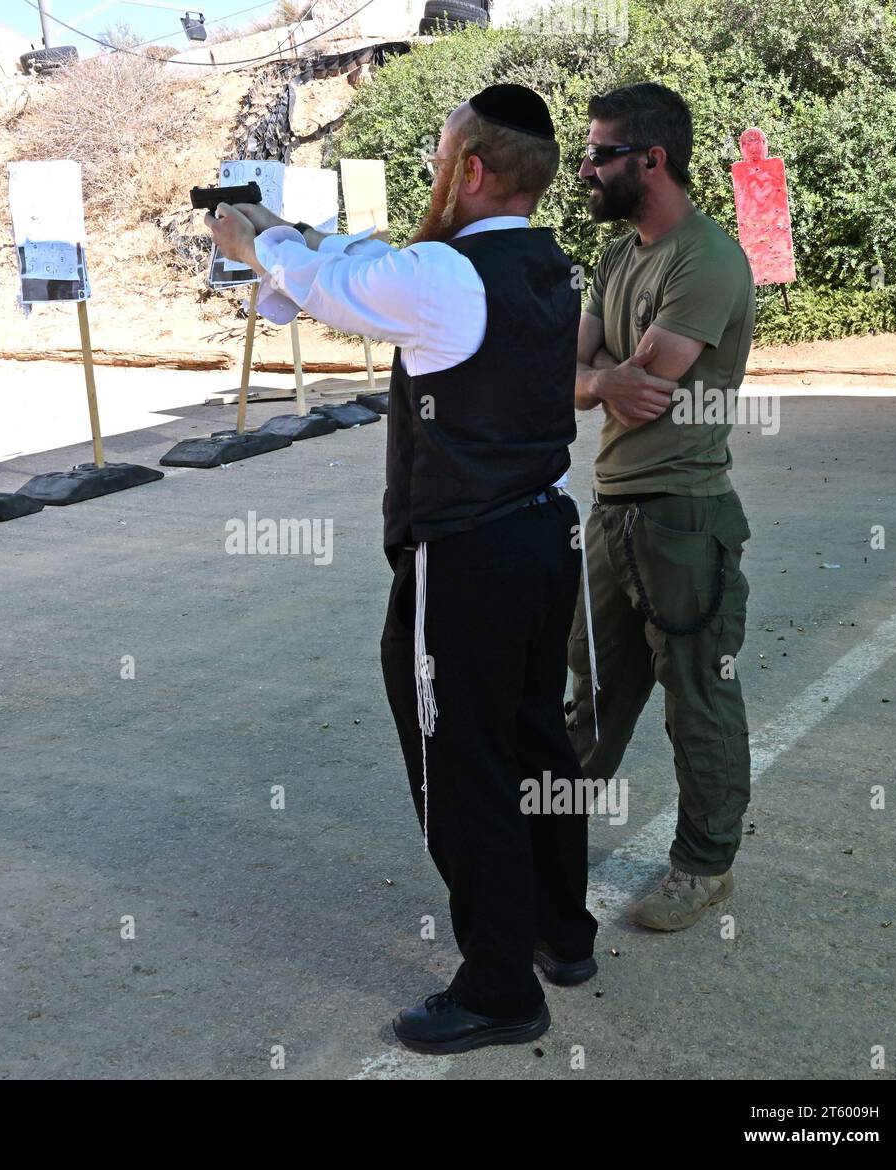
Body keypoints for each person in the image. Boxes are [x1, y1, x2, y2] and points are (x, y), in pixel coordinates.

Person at [207, 84, 597, 1054]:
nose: (432, 175)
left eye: (438, 158)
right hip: (545, 536)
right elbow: (357, 272)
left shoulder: (441, 276)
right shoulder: (546, 264)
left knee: (458, 764)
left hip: (466, 556)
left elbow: (344, 283)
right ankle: (560, 929)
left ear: (470, 170)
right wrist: (282, 245)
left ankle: (500, 986)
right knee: (536, 743)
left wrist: (257, 240)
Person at [569, 82, 755, 930]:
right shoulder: (619, 259)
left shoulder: (705, 257)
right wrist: (603, 374)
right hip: (612, 510)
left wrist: (603, 375)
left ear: (653, 158)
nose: (586, 169)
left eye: (601, 153)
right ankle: (551, 839)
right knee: (590, 692)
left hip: (683, 515)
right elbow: (574, 374)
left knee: (696, 697)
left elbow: (649, 385)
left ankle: (703, 865)